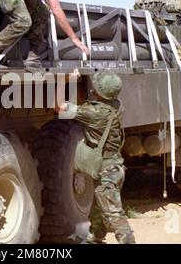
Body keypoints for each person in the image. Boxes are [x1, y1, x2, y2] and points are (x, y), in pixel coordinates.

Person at [58, 70, 136, 244]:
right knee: (98, 204)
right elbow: (87, 105)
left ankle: (128, 240)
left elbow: (61, 107)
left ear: (100, 93)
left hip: (107, 170)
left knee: (113, 214)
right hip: (113, 166)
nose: (92, 90)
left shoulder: (95, 114)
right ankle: (96, 235)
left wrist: (67, 81)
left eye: (96, 88)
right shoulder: (117, 105)